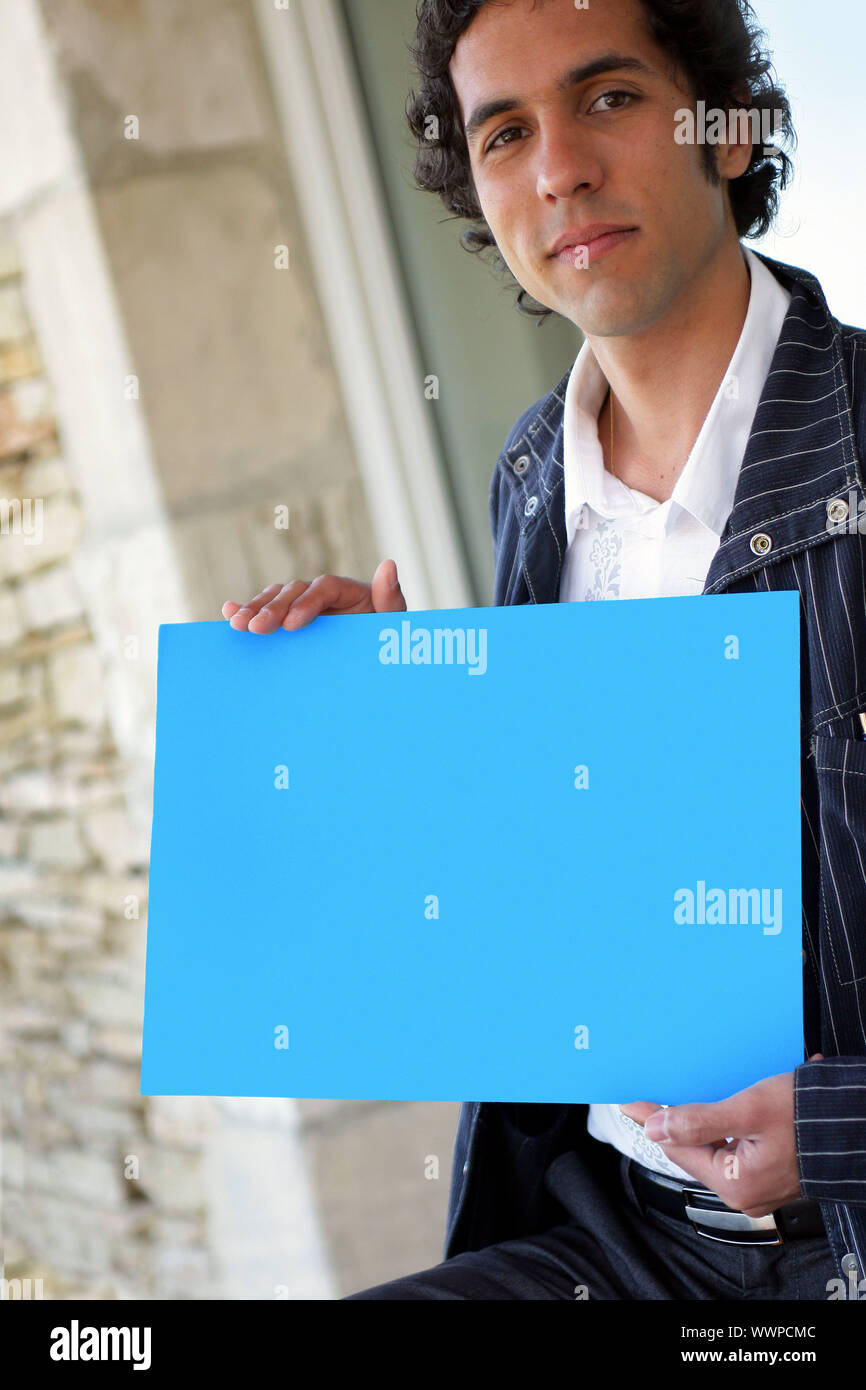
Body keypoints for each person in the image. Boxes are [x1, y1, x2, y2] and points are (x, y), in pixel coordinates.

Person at [223, 0, 866, 1299]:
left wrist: (845, 1123)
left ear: (727, 132)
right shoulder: (532, 476)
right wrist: (410, 727)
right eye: (505, 132)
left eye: (608, 97)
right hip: (615, 1231)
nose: (559, 167)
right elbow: (576, 894)